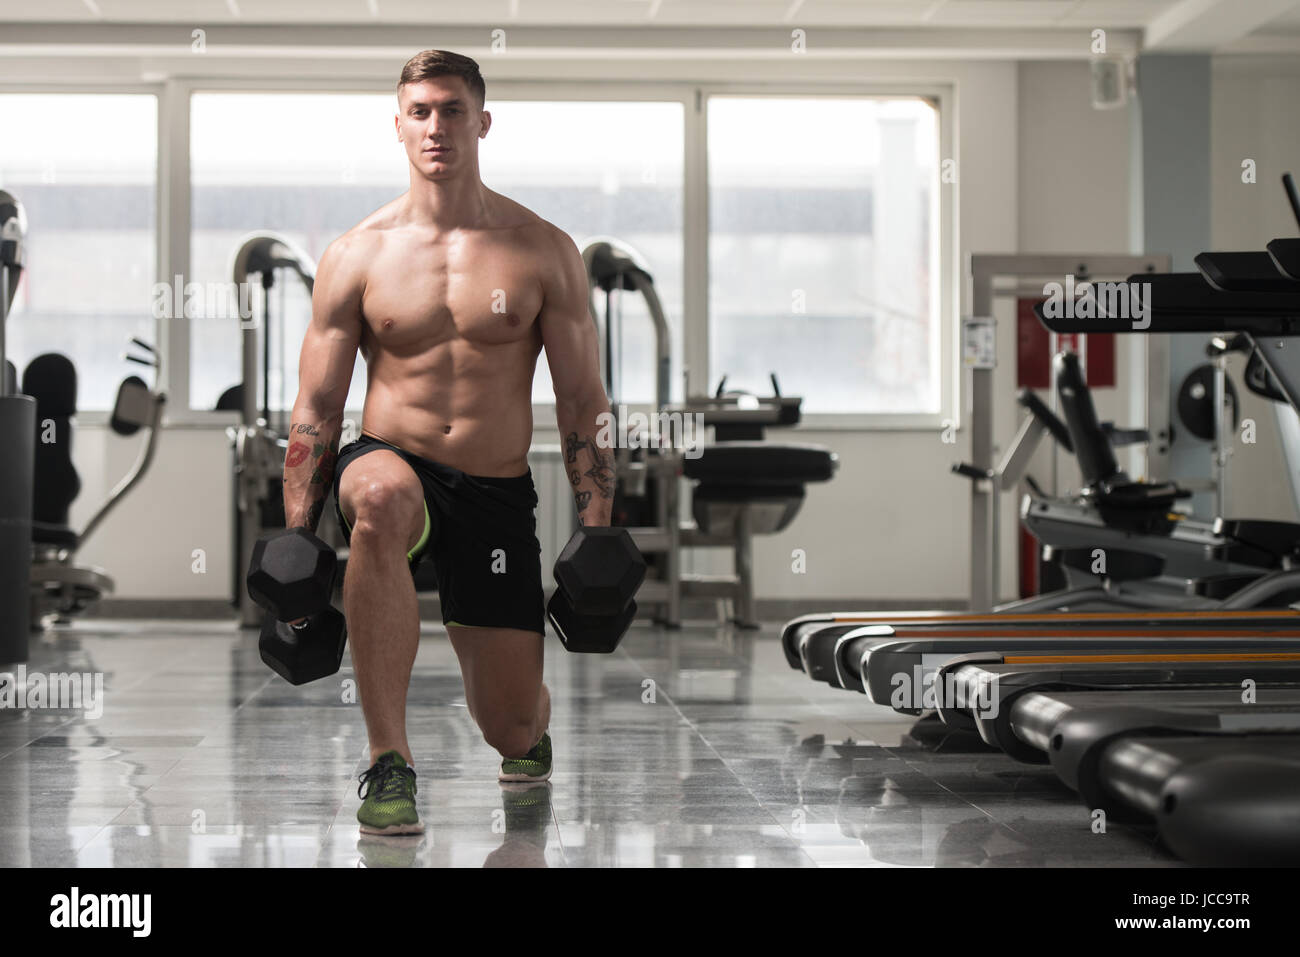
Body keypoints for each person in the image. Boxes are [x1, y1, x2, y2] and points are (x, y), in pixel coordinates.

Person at [280, 49, 614, 835]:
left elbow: (581, 400)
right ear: (397, 125)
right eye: (421, 111)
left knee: (511, 725)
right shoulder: (357, 254)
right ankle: (388, 760)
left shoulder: (541, 249)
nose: (436, 126)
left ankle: (529, 727)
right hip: (389, 459)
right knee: (383, 496)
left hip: (494, 491)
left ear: (482, 122)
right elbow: (318, 406)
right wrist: (295, 540)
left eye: (452, 110)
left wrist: (598, 532)